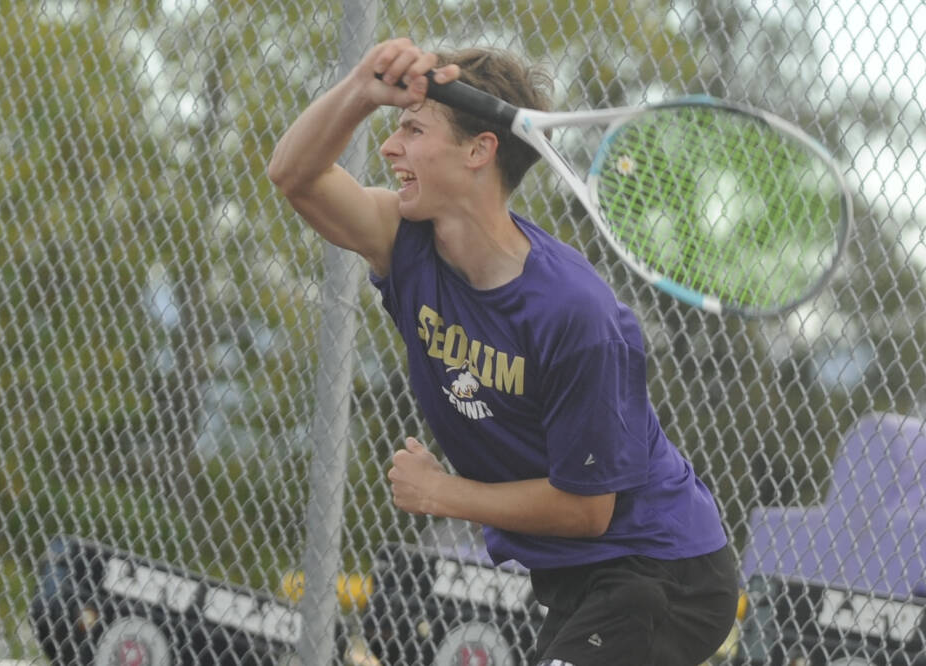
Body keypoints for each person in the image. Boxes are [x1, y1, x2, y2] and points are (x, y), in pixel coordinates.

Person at [268, 37, 738, 666]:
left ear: (479, 150)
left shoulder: (578, 314)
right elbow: (294, 175)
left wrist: (442, 493)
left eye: (412, 128)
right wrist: (361, 88)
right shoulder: (407, 245)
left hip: (664, 572)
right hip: (584, 582)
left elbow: (587, 509)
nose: (388, 146)